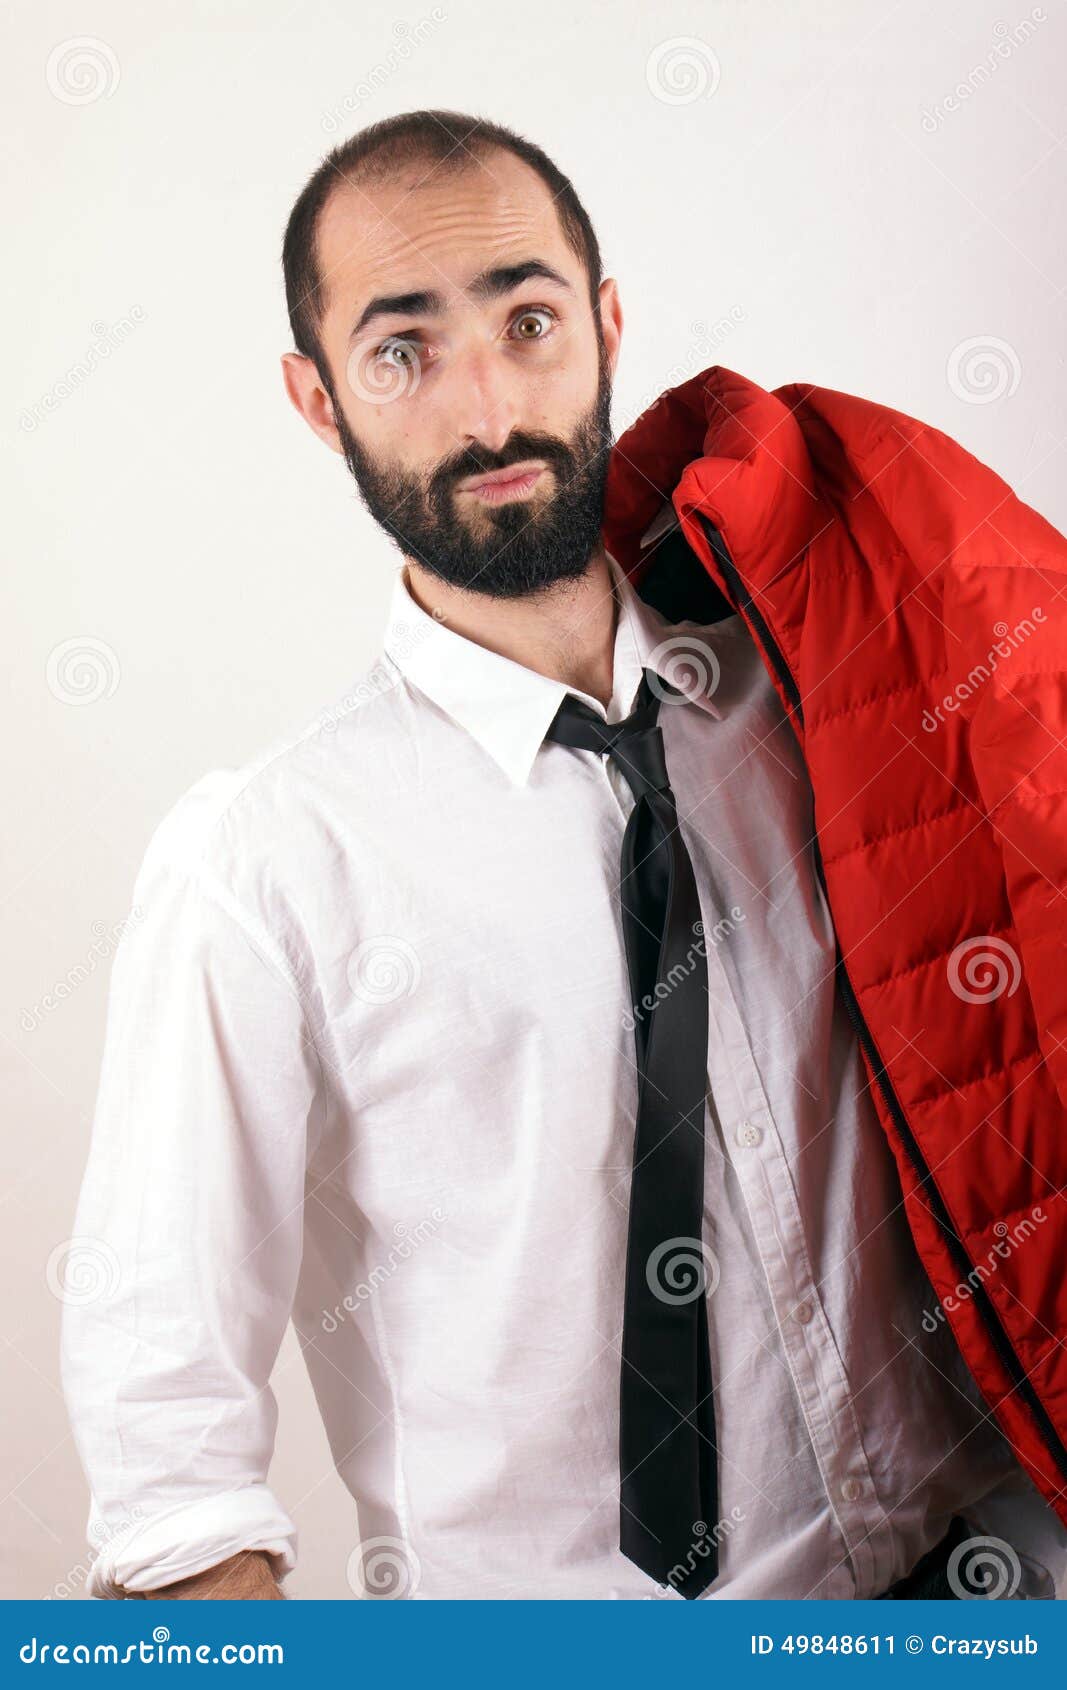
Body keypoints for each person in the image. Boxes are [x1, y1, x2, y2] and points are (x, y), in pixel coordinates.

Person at [61, 108, 1067, 1601]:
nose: (487, 410)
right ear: (320, 399)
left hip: (979, 1581)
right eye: (401, 350)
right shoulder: (264, 860)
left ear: (605, 326)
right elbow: (170, 1460)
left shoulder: (820, 691)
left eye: (528, 321)